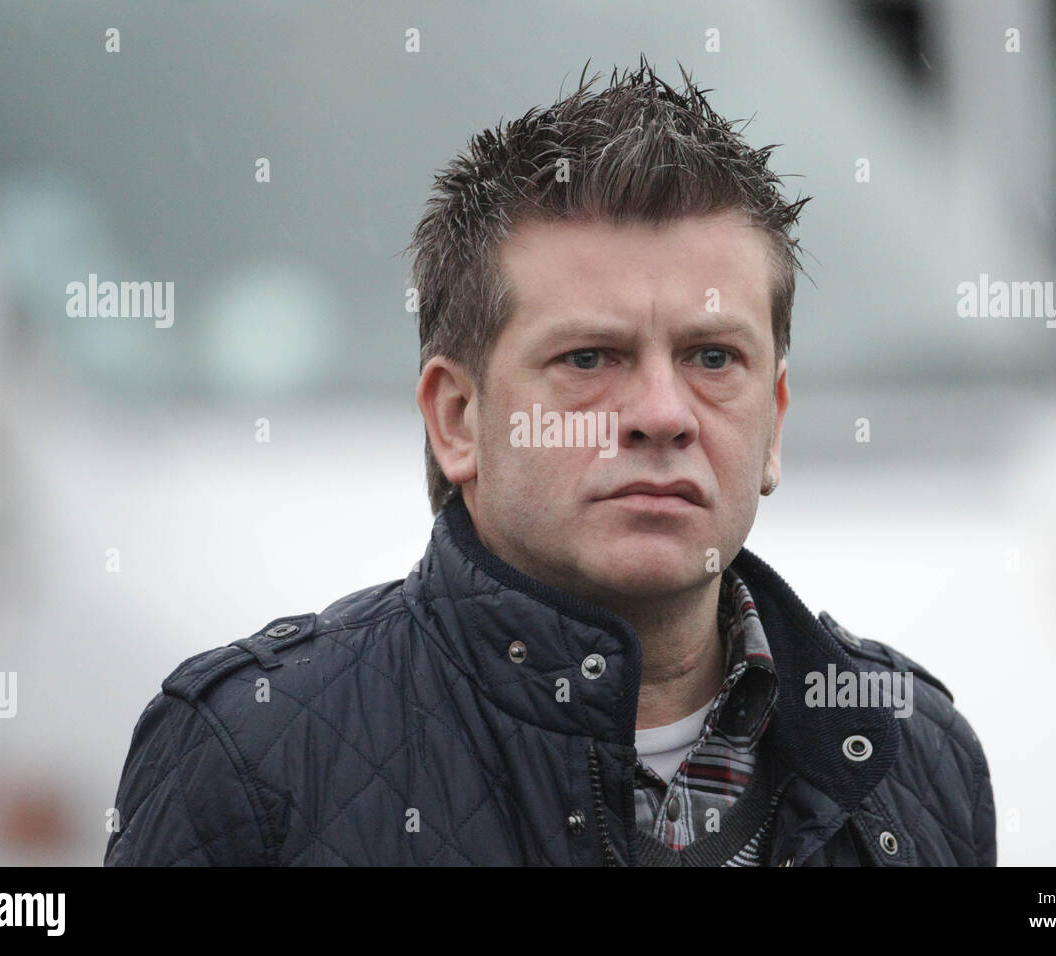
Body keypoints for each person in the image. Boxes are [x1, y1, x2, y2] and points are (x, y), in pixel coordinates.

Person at [105, 58, 995, 866]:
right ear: (458, 419)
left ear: (774, 422)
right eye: (589, 358)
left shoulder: (916, 751)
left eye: (713, 358)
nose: (661, 414)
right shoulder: (248, 762)